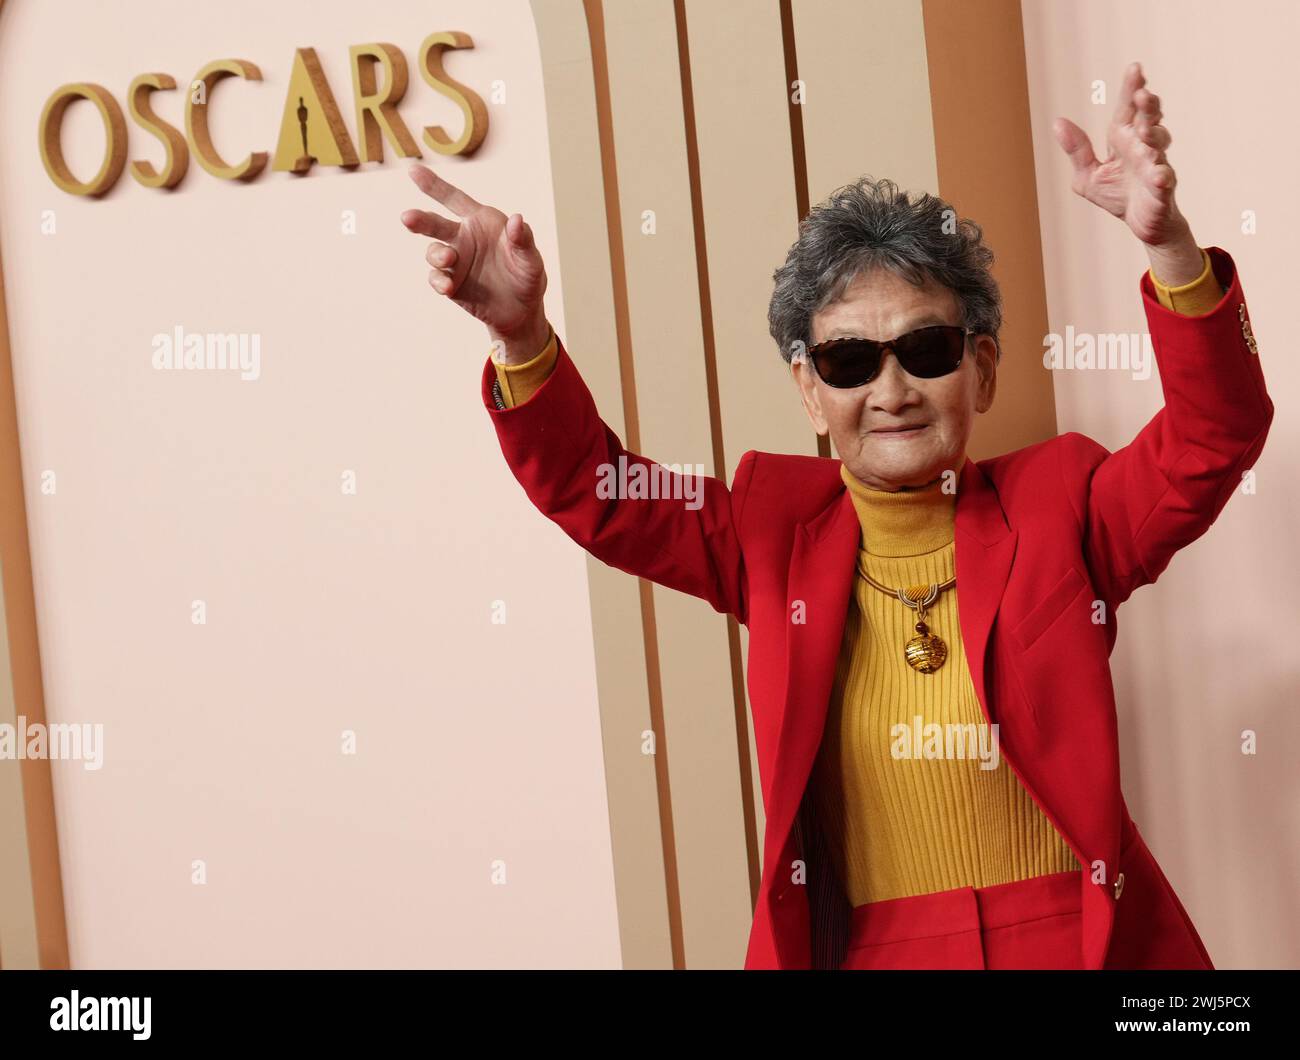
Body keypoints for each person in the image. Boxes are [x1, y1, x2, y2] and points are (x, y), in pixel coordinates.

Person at [400, 61, 1271, 970]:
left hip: (1085, 948)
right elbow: (596, 490)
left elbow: (1218, 432)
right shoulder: (764, 535)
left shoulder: (1067, 507)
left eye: (926, 350)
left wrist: (1171, 249)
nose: (891, 390)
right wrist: (523, 337)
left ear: (980, 371)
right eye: (850, 362)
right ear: (810, 393)